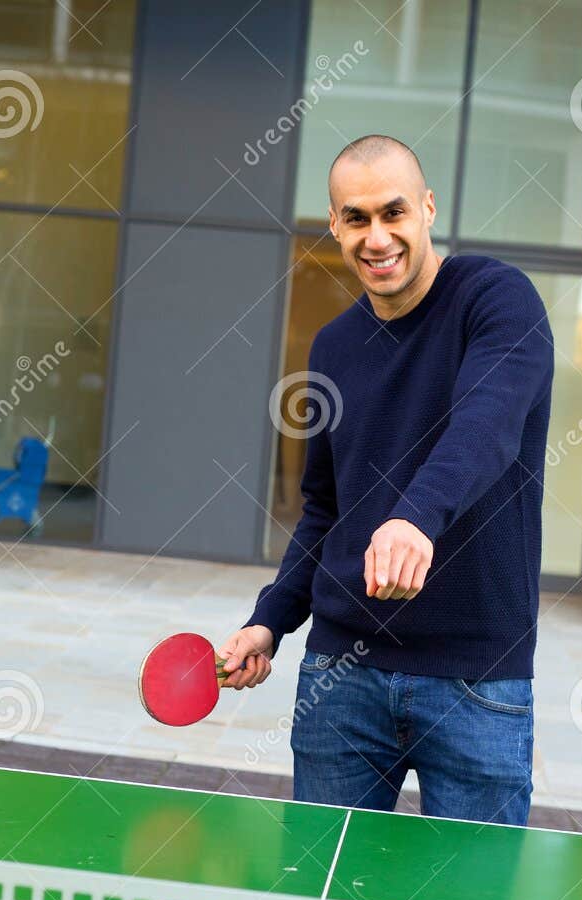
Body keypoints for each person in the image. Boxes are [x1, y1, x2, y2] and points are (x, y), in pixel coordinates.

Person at [218, 135, 554, 824]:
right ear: (335, 227)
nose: (378, 237)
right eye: (358, 218)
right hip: (341, 677)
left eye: (394, 213)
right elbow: (325, 509)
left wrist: (414, 516)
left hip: (476, 679)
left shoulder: (498, 302)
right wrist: (270, 619)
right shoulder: (335, 346)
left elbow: (486, 425)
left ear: (428, 209)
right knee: (325, 899)